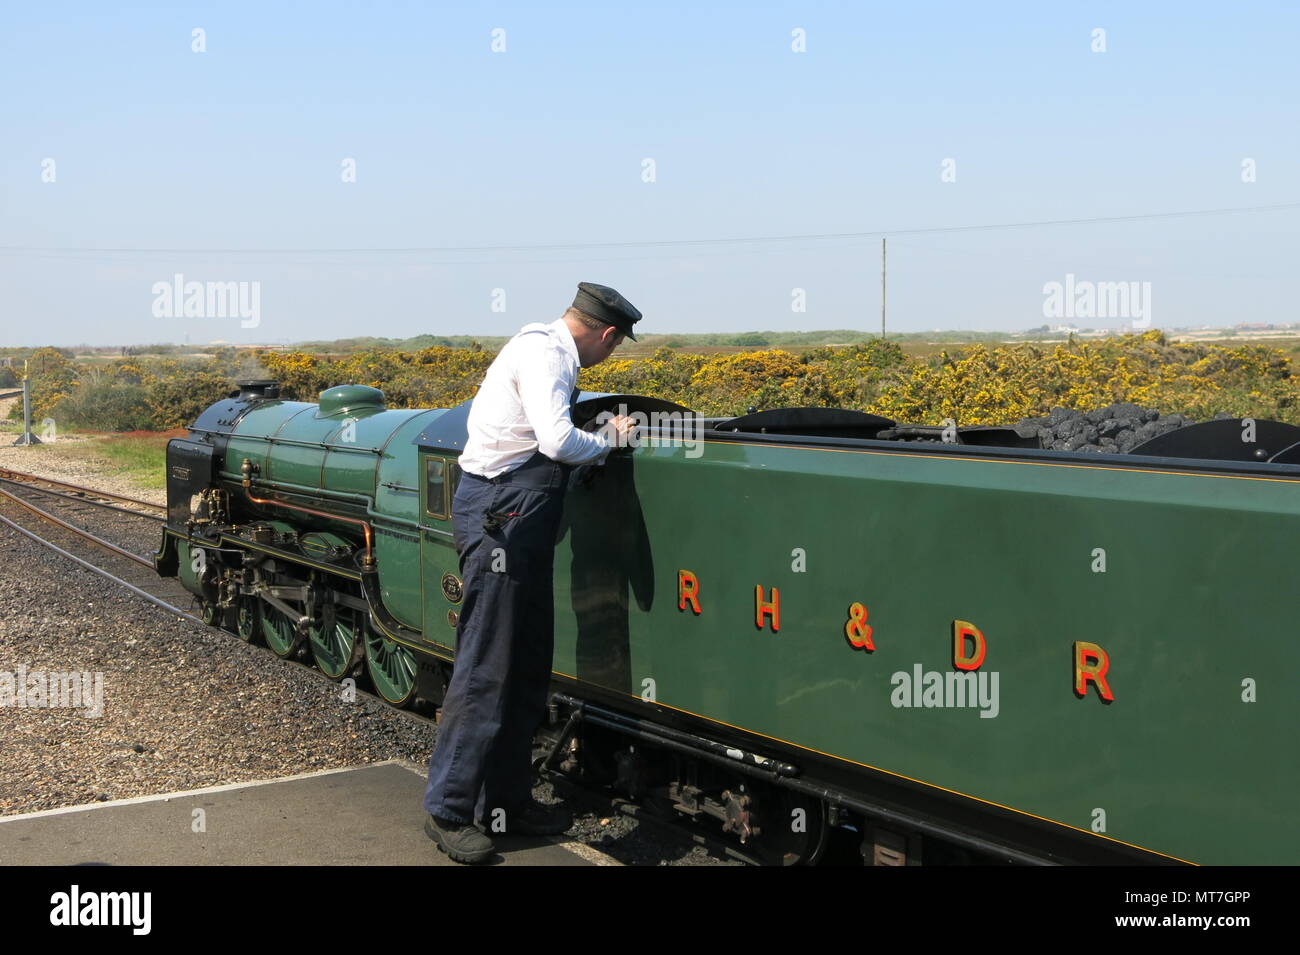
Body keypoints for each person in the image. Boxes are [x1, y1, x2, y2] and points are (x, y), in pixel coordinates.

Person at [423, 281, 641, 864]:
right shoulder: (548, 355)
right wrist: (609, 441)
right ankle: (447, 810)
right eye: (615, 348)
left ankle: (505, 803)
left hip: (518, 517)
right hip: (505, 517)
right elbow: (557, 440)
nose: (609, 357)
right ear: (608, 334)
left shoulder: (541, 345)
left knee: (524, 666)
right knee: (486, 666)